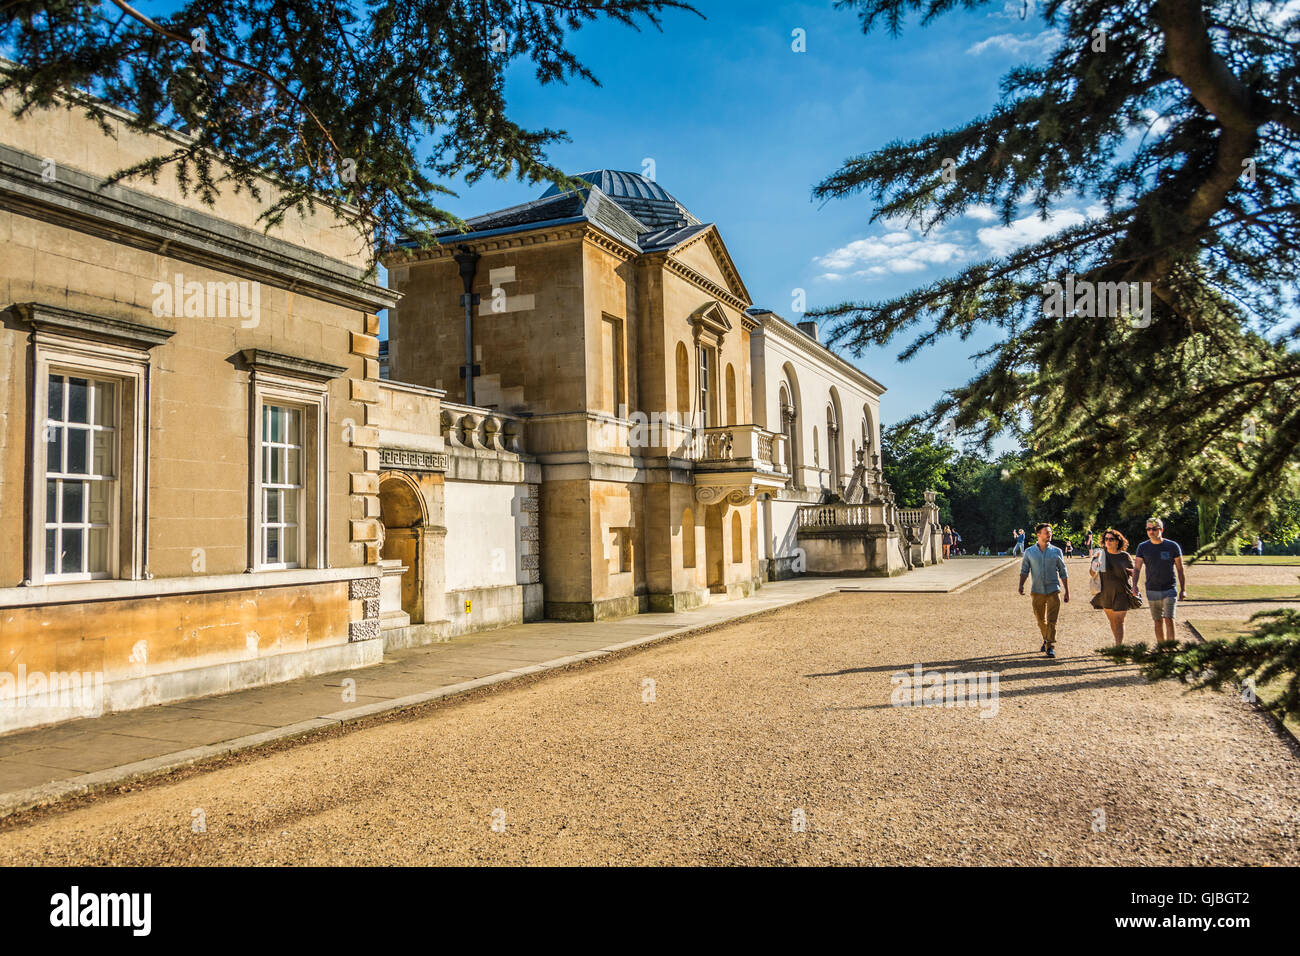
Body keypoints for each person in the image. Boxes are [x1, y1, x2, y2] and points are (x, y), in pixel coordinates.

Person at [1018, 523, 1070, 658]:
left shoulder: (1057, 551)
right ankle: (1046, 638)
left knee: (1052, 620)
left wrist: (1067, 591)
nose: (1049, 534)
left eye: (1050, 532)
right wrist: (1021, 585)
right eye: (1046, 532)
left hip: (1053, 590)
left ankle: (1050, 646)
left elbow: (1063, 572)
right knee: (1040, 620)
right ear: (1038, 535)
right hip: (1037, 591)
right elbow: (1024, 570)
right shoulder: (1029, 552)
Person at [1132, 517, 1187, 645]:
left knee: (1169, 619)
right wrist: (1134, 585)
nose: (1151, 531)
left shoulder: (1172, 546)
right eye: (1148, 529)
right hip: (1152, 589)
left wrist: (1183, 589)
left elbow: (1180, 569)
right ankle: (1162, 649)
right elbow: (1137, 568)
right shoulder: (1143, 547)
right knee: (1157, 621)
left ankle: (1171, 648)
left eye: (1154, 529)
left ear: (1161, 530)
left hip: (1169, 588)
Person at [1090, 529, 1141, 645]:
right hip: (1105, 593)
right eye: (1106, 539)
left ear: (1118, 541)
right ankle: (1117, 642)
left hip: (1122, 592)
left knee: (1119, 621)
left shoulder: (1125, 556)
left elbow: (1133, 573)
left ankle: (1119, 646)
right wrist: (1095, 563)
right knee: (1112, 621)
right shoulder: (1100, 554)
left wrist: (1134, 579)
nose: (1108, 541)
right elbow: (1092, 574)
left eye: (1111, 539)